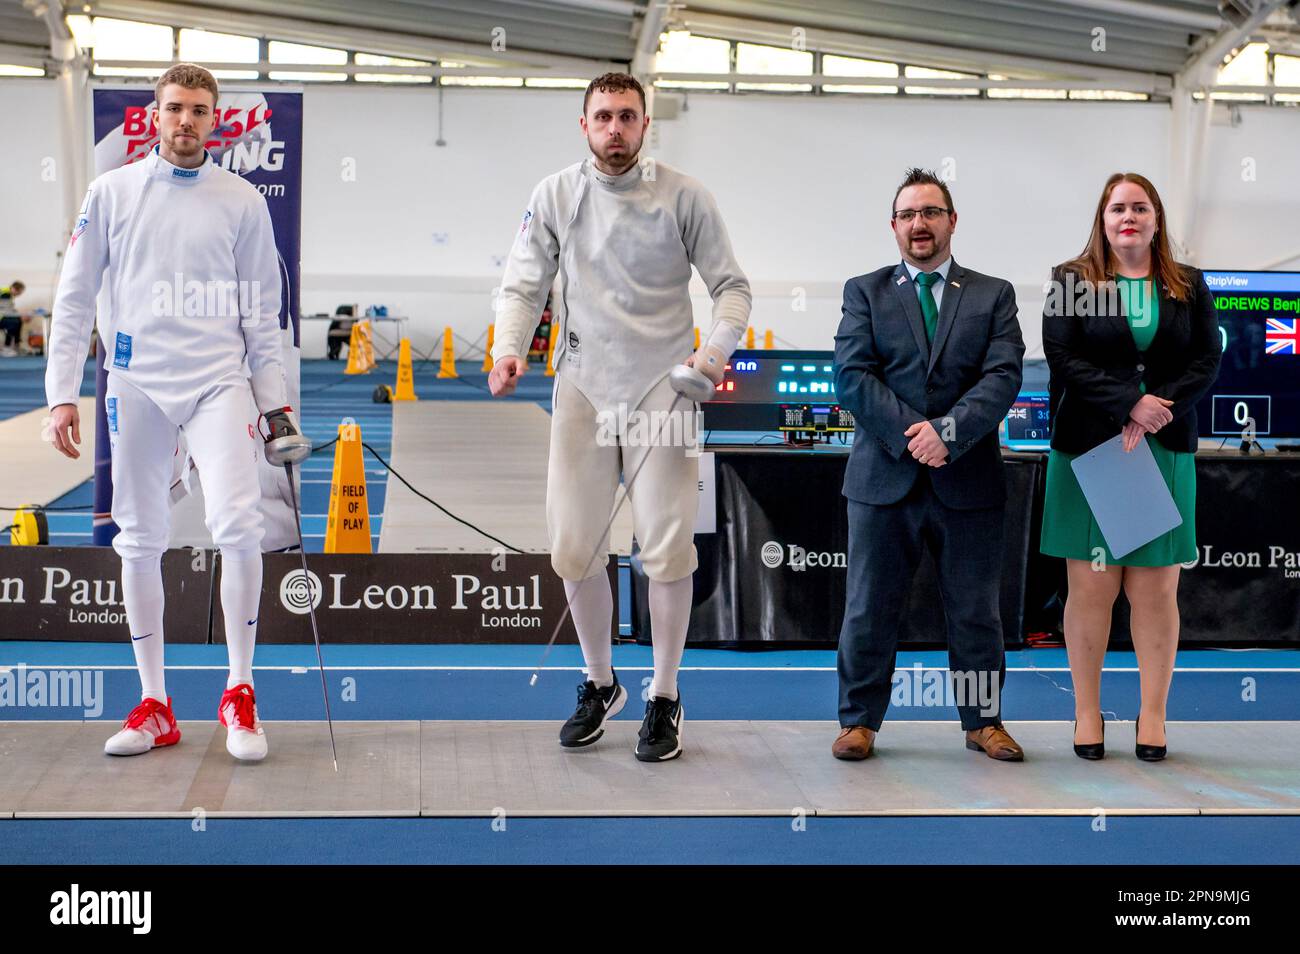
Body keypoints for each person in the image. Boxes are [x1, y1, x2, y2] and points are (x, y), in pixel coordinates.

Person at [44, 64, 303, 762]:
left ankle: (239, 693)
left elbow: (261, 318)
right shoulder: (111, 193)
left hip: (220, 384)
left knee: (240, 526)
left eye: (198, 110)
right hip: (136, 382)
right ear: (153, 117)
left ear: (215, 120)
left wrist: (275, 410)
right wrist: (61, 394)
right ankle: (155, 703)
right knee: (139, 536)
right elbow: (72, 299)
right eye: (174, 109)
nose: (185, 121)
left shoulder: (243, 202)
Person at [489, 72, 750, 762]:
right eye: (602, 116)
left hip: (663, 389)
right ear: (584, 125)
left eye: (627, 116)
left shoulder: (685, 195)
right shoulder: (556, 195)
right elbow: (523, 283)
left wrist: (714, 354)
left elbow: (731, 288)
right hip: (581, 385)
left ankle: (664, 695)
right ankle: (599, 682)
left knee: (664, 547)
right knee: (573, 546)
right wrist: (509, 349)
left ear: (644, 124)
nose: (615, 128)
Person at [832, 168, 1026, 762]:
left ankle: (983, 722)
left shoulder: (994, 294)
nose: (920, 224)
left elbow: (1003, 376)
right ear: (894, 226)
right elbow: (852, 375)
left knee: (975, 611)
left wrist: (949, 433)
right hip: (882, 478)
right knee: (869, 608)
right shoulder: (864, 291)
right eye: (909, 214)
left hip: (967, 480)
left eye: (931, 212)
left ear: (951, 221)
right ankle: (859, 722)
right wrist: (912, 435)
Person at [1040, 172, 1221, 762]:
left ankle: (1152, 716)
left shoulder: (1188, 285)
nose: (1129, 217)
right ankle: (1087, 714)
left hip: (1161, 450)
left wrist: (1153, 412)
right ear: (1103, 217)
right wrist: (1126, 404)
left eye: (1140, 208)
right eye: (1118, 207)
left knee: (1154, 592)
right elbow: (1061, 355)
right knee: (1090, 591)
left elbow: (1206, 358)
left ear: (1156, 218)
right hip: (1094, 451)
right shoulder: (1072, 281)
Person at [0, 280, 24, 355]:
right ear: (14, 289)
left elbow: (9, 309)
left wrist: (20, 315)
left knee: (18, 320)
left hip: (3, 316)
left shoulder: (7, 293)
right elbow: (7, 311)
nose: (20, 294)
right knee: (13, 323)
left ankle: (16, 345)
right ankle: (7, 348)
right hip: (1, 317)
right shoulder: (5, 294)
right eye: (20, 292)